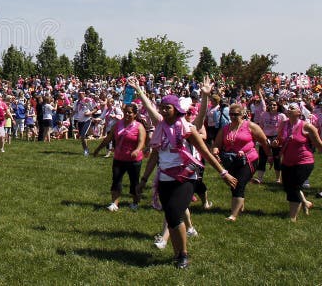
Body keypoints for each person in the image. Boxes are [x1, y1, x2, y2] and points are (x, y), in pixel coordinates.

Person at [131, 78, 236, 269]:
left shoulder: (187, 128)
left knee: (174, 212)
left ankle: (184, 254)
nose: (163, 111)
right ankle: (177, 253)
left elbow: (205, 152)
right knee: (172, 217)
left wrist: (223, 172)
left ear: (176, 109)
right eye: (162, 108)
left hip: (185, 177)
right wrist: (144, 179)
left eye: (167, 108)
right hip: (164, 178)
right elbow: (155, 155)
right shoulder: (161, 127)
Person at [213, 102, 271, 221]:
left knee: (238, 184)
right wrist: (215, 152)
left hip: (249, 159)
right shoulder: (225, 128)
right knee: (234, 185)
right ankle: (240, 206)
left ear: (242, 114)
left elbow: (264, 141)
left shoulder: (251, 126)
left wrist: (269, 156)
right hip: (231, 160)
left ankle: (233, 215)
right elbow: (217, 144)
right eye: (231, 114)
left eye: (236, 114)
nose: (233, 116)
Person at [93, 103, 145, 211]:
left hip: (134, 160)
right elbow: (108, 138)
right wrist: (98, 149)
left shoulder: (139, 126)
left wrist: (137, 150)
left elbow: (141, 142)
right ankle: (114, 203)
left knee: (134, 181)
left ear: (135, 114)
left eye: (130, 112)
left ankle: (135, 202)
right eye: (125, 112)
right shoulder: (117, 125)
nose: (127, 114)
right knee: (116, 180)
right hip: (119, 158)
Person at [277, 102, 322, 221]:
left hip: (304, 161)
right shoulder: (284, 124)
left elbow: (318, 144)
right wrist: (276, 142)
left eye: (292, 108)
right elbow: (280, 139)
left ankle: (292, 217)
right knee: (287, 186)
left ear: (299, 112)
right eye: (288, 108)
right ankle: (305, 203)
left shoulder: (307, 126)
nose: (289, 110)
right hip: (287, 161)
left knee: (294, 187)